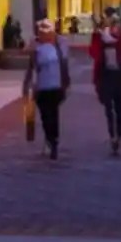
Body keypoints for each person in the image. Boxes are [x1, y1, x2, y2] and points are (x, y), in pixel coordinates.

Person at [89, 15, 121, 155]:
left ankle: (120, 135)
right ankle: (113, 136)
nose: (112, 27)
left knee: (120, 109)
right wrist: (96, 35)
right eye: (109, 24)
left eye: (114, 24)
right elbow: (93, 52)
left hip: (120, 77)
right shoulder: (99, 38)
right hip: (105, 77)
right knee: (108, 109)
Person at [23, 19, 71, 160]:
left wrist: (66, 82)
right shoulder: (36, 48)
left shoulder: (59, 46)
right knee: (45, 116)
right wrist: (26, 86)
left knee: (53, 114)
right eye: (41, 31)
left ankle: (54, 141)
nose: (44, 33)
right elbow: (31, 67)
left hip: (56, 86)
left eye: (47, 30)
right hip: (41, 87)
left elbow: (65, 63)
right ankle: (49, 138)